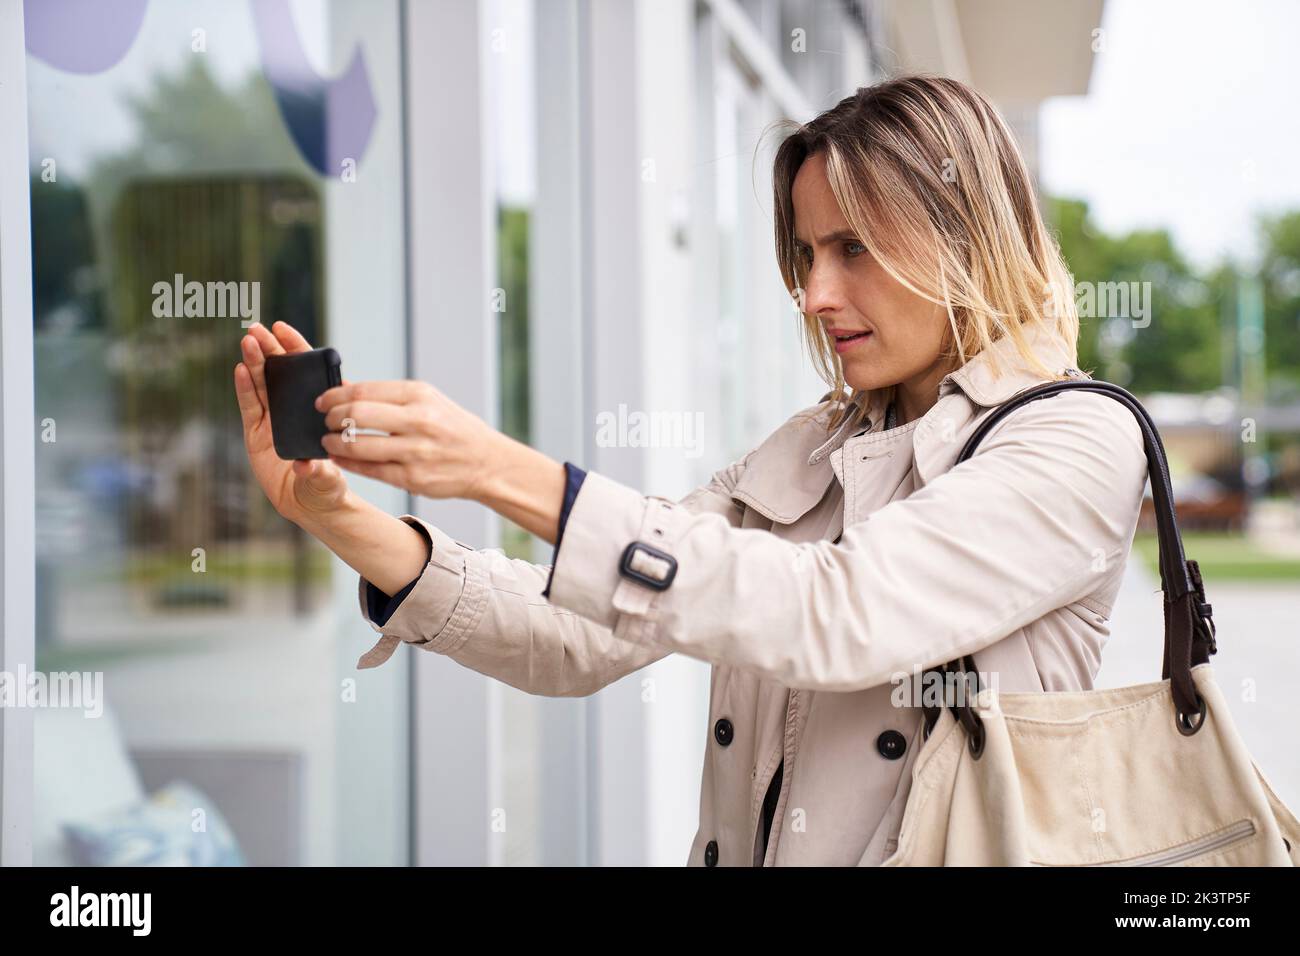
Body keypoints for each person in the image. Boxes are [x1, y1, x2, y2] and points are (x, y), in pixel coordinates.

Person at [234, 75, 1148, 866]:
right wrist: (338, 517)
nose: (816, 294)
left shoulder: (1076, 438)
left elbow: (836, 612)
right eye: (807, 252)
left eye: (854, 248)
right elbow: (577, 638)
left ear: (962, 236)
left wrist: (498, 471)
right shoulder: (812, 447)